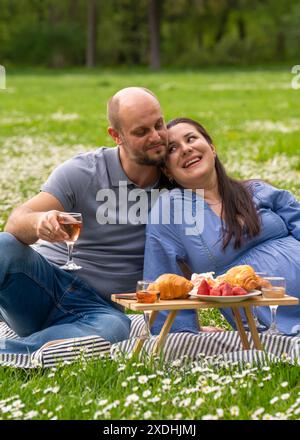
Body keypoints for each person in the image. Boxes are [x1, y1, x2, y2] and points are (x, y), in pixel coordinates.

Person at [0, 87, 168, 355]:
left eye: (159, 125)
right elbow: (16, 222)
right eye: (141, 131)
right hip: (43, 285)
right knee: (3, 245)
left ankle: (16, 351)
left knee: (115, 329)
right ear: (116, 136)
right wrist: (40, 221)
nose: (156, 137)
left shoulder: (177, 184)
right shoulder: (84, 171)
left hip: (98, 309)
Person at [143, 117, 300, 336]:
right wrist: (184, 332)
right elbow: (161, 276)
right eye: (173, 149)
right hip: (273, 318)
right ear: (167, 171)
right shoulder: (171, 207)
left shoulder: (257, 190)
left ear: (212, 148)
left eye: (191, 139)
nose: (186, 149)